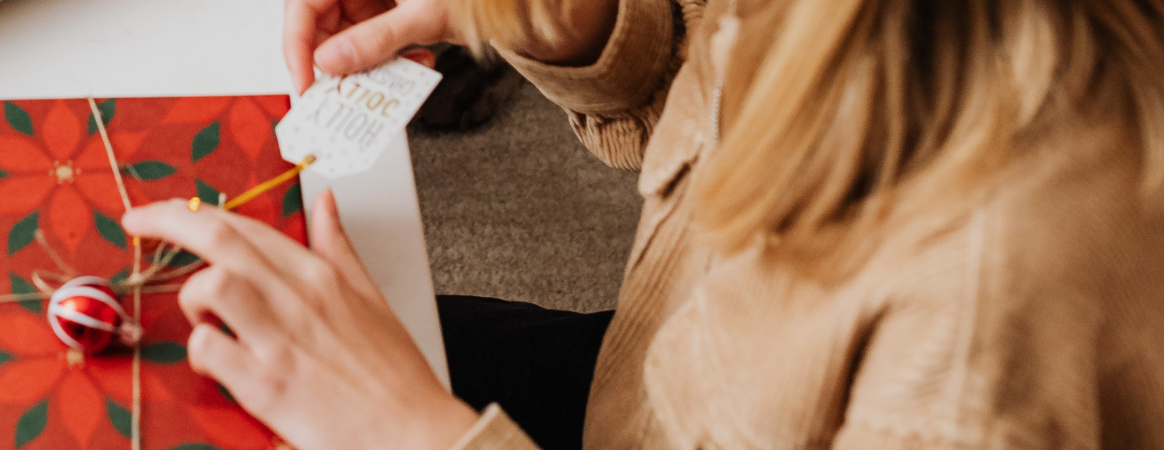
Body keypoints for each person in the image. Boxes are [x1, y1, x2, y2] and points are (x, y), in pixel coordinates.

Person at [117, 0, 1164, 448]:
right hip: (651, 382)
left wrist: (414, 434)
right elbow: (703, 93)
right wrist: (570, 21)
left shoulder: (989, 316)